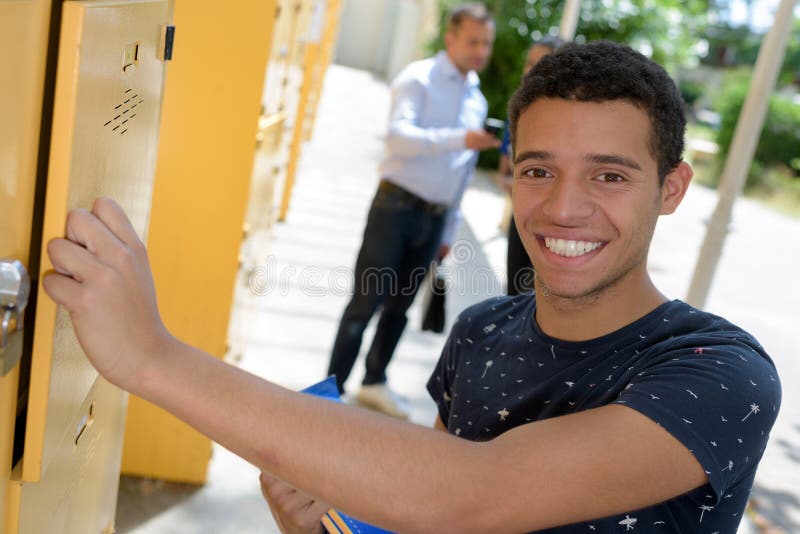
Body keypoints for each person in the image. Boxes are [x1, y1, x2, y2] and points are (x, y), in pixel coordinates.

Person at [44, 40, 780, 533]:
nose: (562, 207)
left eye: (610, 176)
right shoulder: (482, 331)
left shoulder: (720, 374)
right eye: (537, 169)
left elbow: (470, 495)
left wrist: (153, 358)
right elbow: (429, 517)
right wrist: (326, 518)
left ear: (673, 188)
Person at [326, 2, 500, 419]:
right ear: (451, 37)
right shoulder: (418, 79)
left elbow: (462, 174)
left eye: (486, 43)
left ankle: (373, 382)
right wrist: (460, 139)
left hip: (435, 218)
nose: (481, 50)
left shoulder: (475, 96)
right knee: (365, 303)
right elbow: (398, 137)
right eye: (473, 40)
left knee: (399, 309)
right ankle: (326, 393)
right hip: (395, 208)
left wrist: (447, 234)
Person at [496, 36, 566, 296]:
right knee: (515, 293)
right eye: (529, 63)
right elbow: (506, 167)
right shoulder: (519, 111)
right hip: (522, 216)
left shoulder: (571, 119)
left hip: (554, 223)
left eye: (541, 63)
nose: (531, 70)